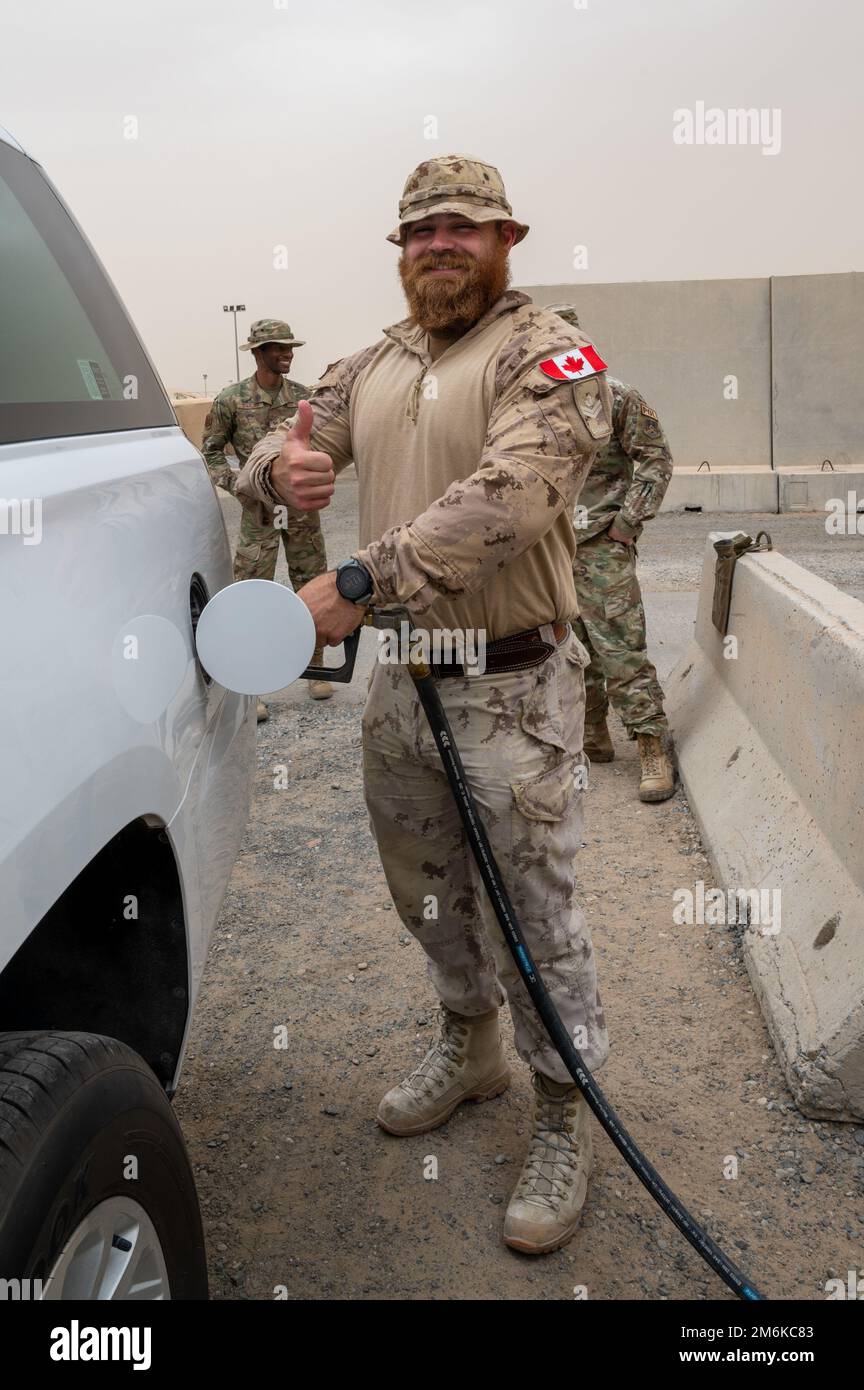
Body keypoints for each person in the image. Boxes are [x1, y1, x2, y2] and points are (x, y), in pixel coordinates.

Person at [236, 156, 614, 1255]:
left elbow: (513, 499)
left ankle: (562, 1110)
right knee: (429, 890)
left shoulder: (553, 352)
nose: (439, 245)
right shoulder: (382, 358)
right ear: (399, 252)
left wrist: (354, 583)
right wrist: (283, 467)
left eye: (463, 227)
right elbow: (281, 435)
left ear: (509, 239)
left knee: (538, 915)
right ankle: (472, 1042)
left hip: (510, 682)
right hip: (406, 684)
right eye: (419, 232)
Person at [547, 305, 675, 801]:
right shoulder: (527, 404)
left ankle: (649, 743)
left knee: (620, 647)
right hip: (547, 548)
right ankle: (593, 734)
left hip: (601, 543)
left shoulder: (615, 396)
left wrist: (627, 524)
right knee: (566, 648)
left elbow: (656, 459)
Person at [202, 318, 332, 714]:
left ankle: (315, 670)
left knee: (310, 585)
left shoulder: (304, 398)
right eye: (278, 347)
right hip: (259, 512)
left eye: (290, 347)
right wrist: (239, 486)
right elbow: (209, 450)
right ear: (258, 353)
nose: (287, 353)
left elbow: (323, 444)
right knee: (252, 592)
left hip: (301, 514)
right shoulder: (230, 400)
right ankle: (251, 684)